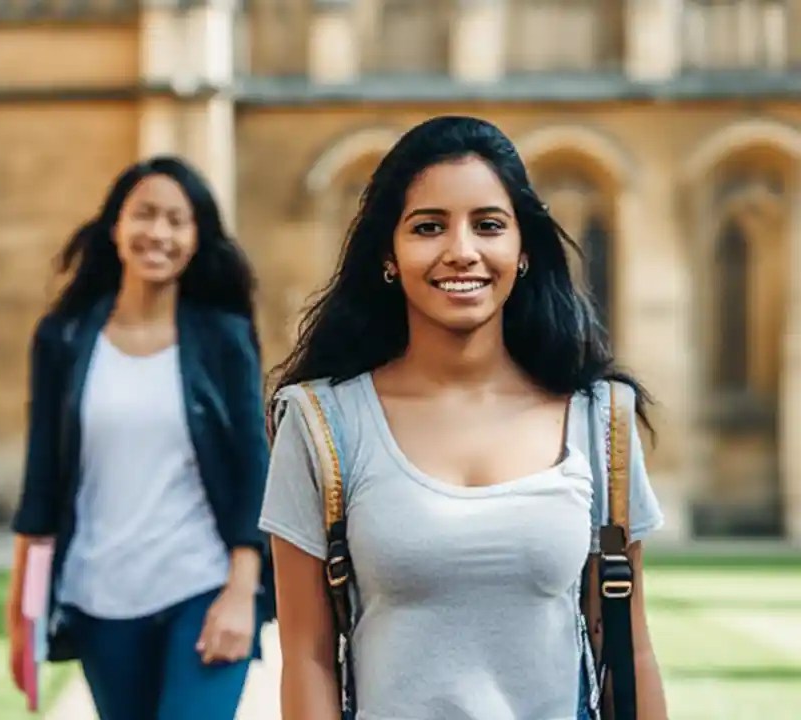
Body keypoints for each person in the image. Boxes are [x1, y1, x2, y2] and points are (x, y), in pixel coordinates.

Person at [259, 115, 669, 720]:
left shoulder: (599, 418)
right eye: (428, 227)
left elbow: (628, 644)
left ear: (522, 249)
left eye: (488, 225)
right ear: (389, 256)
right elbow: (309, 656)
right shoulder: (323, 422)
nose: (462, 251)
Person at [4, 155, 273, 719]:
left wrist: (242, 591)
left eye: (177, 220)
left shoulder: (223, 339)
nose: (159, 232)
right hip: (100, 595)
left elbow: (254, 467)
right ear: (115, 227)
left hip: (203, 587)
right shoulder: (65, 337)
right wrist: (19, 611)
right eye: (145, 215)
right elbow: (42, 483)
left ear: (197, 238)